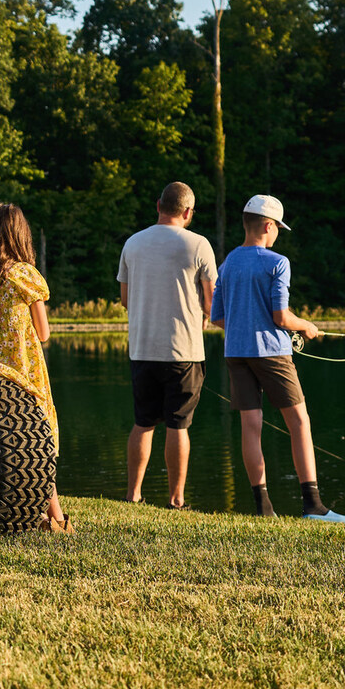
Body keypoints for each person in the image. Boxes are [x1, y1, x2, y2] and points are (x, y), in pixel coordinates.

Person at [207, 196, 345, 522]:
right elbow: (282, 317)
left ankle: (263, 508)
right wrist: (308, 327)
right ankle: (313, 506)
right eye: (277, 230)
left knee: (250, 427)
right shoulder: (277, 262)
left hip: (236, 353)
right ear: (268, 226)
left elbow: (217, 317)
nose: (277, 237)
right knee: (299, 422)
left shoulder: (227, 264)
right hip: (272, 353)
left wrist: (245, 326)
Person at [0, 204, 72, 533]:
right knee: (40, 441)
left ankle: (53, 516)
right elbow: (44, 332)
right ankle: (55, 517)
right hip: (23, 372)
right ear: (18, 235)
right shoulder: (24, 276)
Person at [115, 181, 216, 509]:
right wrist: (203, 316)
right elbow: (212, 305)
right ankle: (176, 499)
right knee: (178, 423)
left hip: (142, 348)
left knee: (143, 421)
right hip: (183, 351)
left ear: (159, 205)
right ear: (188, 212)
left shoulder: (132, 243)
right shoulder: (199, 245)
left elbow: (126, 300)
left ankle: (133, 495)